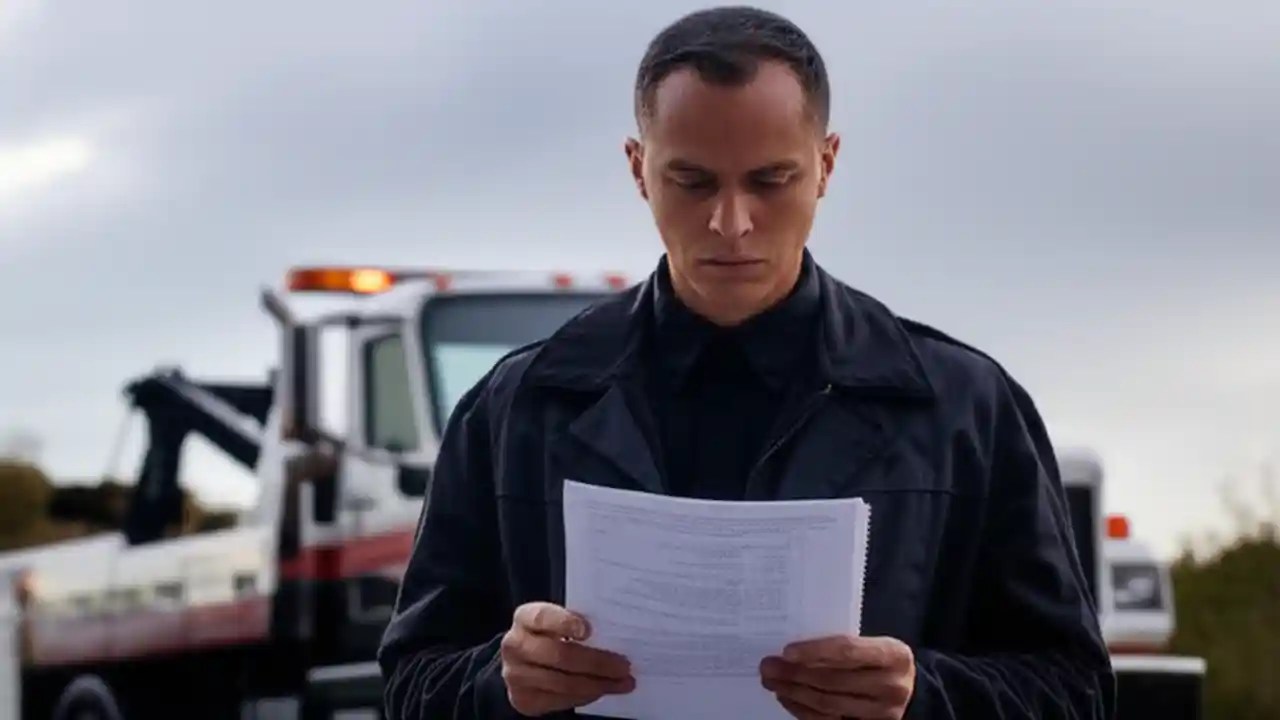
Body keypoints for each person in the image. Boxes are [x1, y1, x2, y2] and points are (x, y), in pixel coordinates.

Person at [378, 6, 1116, 719]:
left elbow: (1075, 689)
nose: (730, 223)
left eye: (769, 180)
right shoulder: (514, 410)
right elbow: (410, 683)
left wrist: (921, 697)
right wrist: (501, 683)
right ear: (638, 169)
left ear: (826, 165)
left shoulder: (965, 408)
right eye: (692, 181)